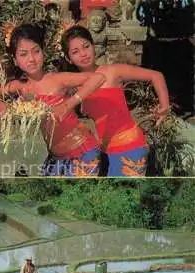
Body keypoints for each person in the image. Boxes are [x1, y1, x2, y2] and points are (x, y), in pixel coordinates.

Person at [0, 24, 106, 176]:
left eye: (36, 51)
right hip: (55, 157)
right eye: (23, 54)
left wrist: (68, 104)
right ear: (15, 59)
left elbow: (99, 78)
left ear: (43, 52)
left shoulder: (58, 79)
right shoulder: (20, 87)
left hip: (83, 152)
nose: (31, 59)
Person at [61, 25, 170, 176]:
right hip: (102, 151)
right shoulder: (73, 85)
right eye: (75, 52)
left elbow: (156, 76)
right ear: (68, 58)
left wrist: (164, 106)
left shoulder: (112, 72)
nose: (83, 54)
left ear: (93, 46)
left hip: (129, 147)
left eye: (86, 46)